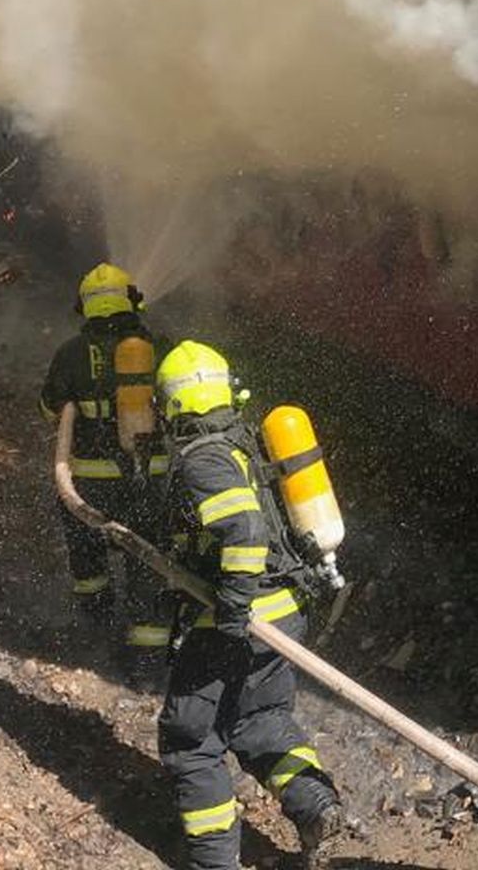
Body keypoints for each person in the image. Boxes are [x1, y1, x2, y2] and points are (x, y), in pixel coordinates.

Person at [153, 340, 345, 870]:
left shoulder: (205, 459)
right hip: (285, 609)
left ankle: (214, 861)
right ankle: (315, 806)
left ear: (169, 404)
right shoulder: (247, 442)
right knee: (259, 718)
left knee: (190, 740)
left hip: (240, 617)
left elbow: (245, 527)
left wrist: (234, 608)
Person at [39, 262, 170, 665]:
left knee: (87, 555)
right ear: (132, 301)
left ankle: (96, 631)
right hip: (150, 479)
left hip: (87, 486)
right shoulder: (159, 347)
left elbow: (49, 410)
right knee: (148, 557)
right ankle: (149, 653)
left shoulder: (71, 353)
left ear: (85, 307)